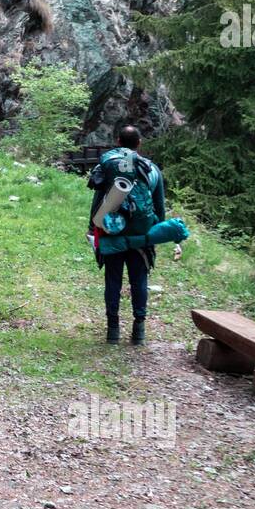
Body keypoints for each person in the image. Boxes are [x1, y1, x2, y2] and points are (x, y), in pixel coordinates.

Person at [86, 126, 166, 346]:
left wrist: (92, 227)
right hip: (142, 235)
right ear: (139, 143)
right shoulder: (151, 169)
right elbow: (159, 207)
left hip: (112, 231)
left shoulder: (110, 166)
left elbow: (99, 199)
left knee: (113, 279)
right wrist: (156, 231)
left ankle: (113, 330)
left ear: (118, 140)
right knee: (139, 279)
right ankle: (138, 330)